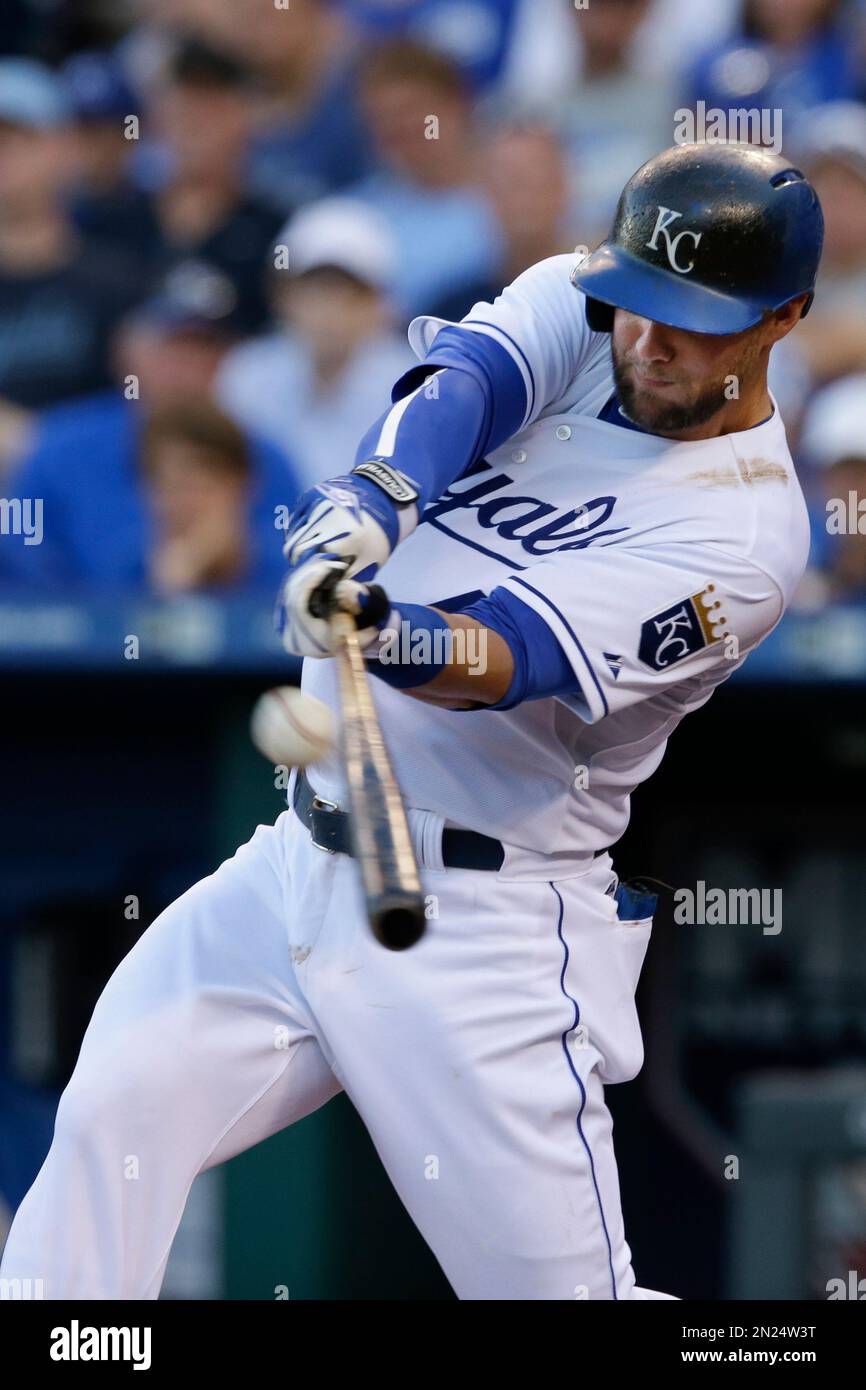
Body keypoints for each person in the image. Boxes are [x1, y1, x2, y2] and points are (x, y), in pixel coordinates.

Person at [0, 141, 823, 1300]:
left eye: (692, 320)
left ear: (781, 316)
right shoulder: (587, 305)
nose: (647, 338)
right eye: (639, 303)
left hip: (474, 922)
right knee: (109, 1120)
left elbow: (504, 658)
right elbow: (467, 382)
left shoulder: (742, 538)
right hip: (295, 859)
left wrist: (377, 625)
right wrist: (370, 506)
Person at [0, 285, 299, 594]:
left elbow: (294, 564)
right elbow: (19, 557)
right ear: (128, 353)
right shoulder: (59, 447)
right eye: (173, 350)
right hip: (86, 635)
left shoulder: (260, 454)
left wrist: (234, 560)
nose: (188, 368)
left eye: (206, 350)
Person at [0, 59, 143, 467]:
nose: (4, 157)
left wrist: (34, 442)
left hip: (85, 499)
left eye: (19, 139)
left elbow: (141, 417)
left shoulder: (117, 281)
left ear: (64, 149)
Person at [216, 198, 414, 489]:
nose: (330, 312)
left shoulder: (411, 385)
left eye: (349, 296)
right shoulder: (246, 375)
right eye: (315, 292)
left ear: (380, 305)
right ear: (282, 297)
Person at [349, 39, 503, 319]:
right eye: (384, 117)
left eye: (413, 109)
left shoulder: (522, 191)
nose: (401, 127)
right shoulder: (357, 217)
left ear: (458, 103)